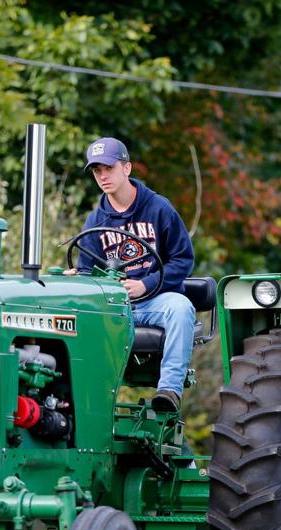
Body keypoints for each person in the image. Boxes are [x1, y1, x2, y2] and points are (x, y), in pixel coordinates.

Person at [68, 136, 196, 412]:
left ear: (126, 168)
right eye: (96, 171)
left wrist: (146, 284)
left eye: (108, 169)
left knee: (181, 307)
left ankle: (169, 391)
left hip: (154, 301)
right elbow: (89, 270)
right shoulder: (95, 220)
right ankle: (84, 402)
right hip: (113, 306)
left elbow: (182, 259)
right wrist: (79, 277)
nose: (103, 177)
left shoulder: (159, 208)